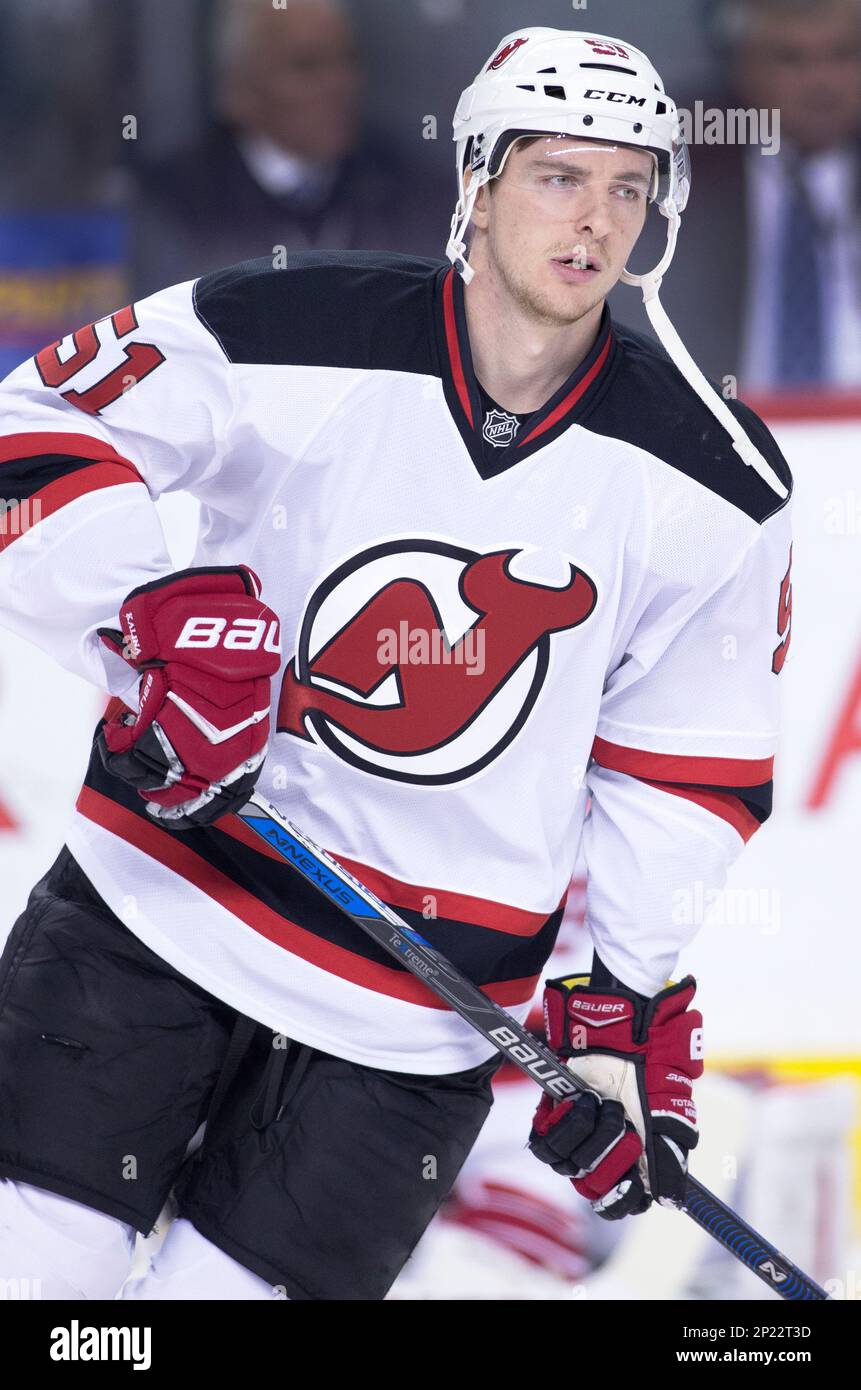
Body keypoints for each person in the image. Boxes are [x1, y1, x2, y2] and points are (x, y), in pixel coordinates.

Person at [0, 26, 792, 1300]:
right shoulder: (282, 317)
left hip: (413, 1026)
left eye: (629, 187)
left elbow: (682, 773)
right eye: (559, 175)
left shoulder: (718, 481)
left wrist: (621, 1012)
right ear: (477, 179)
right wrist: (143, 615)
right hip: (155, 912)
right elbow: (31, 428)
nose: (597, 220)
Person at [130, 0, 450, 297]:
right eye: (306, 66)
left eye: (347, 59)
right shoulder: (171, 207)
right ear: (238, 91)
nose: (340, 84)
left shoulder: (414, 194)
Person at [619, 0, 861, 389]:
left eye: (843, 55)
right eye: (791, 58)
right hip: (718, 430)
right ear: (741, 65)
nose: (822, 81)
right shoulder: (672, 169)